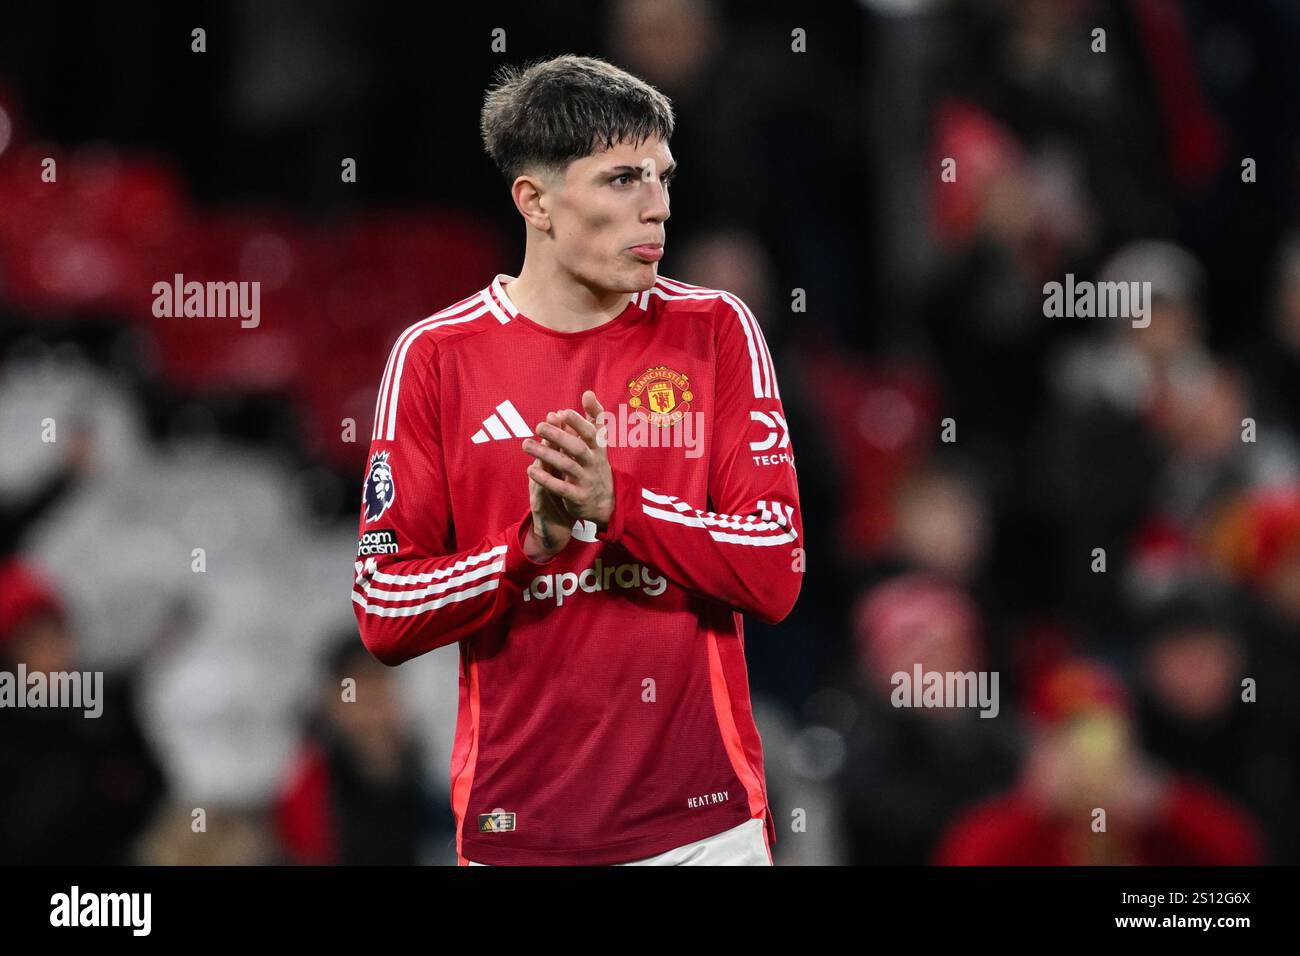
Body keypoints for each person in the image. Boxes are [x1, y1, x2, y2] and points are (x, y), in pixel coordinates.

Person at [350, 55, 803, 865]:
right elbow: (384, 608)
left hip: (703, 834)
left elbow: (775, 570)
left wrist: (616, 504)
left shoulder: (717, 331)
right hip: (518, 834)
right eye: (622, 179)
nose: (658, 207)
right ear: (536, 202)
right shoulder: (436, 358)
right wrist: (529, 548)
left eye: (663, 176)